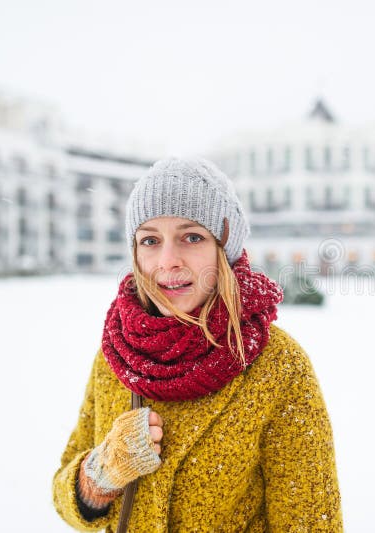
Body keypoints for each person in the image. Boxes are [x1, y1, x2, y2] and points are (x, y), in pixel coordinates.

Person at [52, 157, 343, 532]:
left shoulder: (279, 366)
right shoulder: (117, 353)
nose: (168, 261)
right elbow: (64, 494)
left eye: (192, 237)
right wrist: (99, 476)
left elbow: (311, 524)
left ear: (225, 248)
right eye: (150, 240)